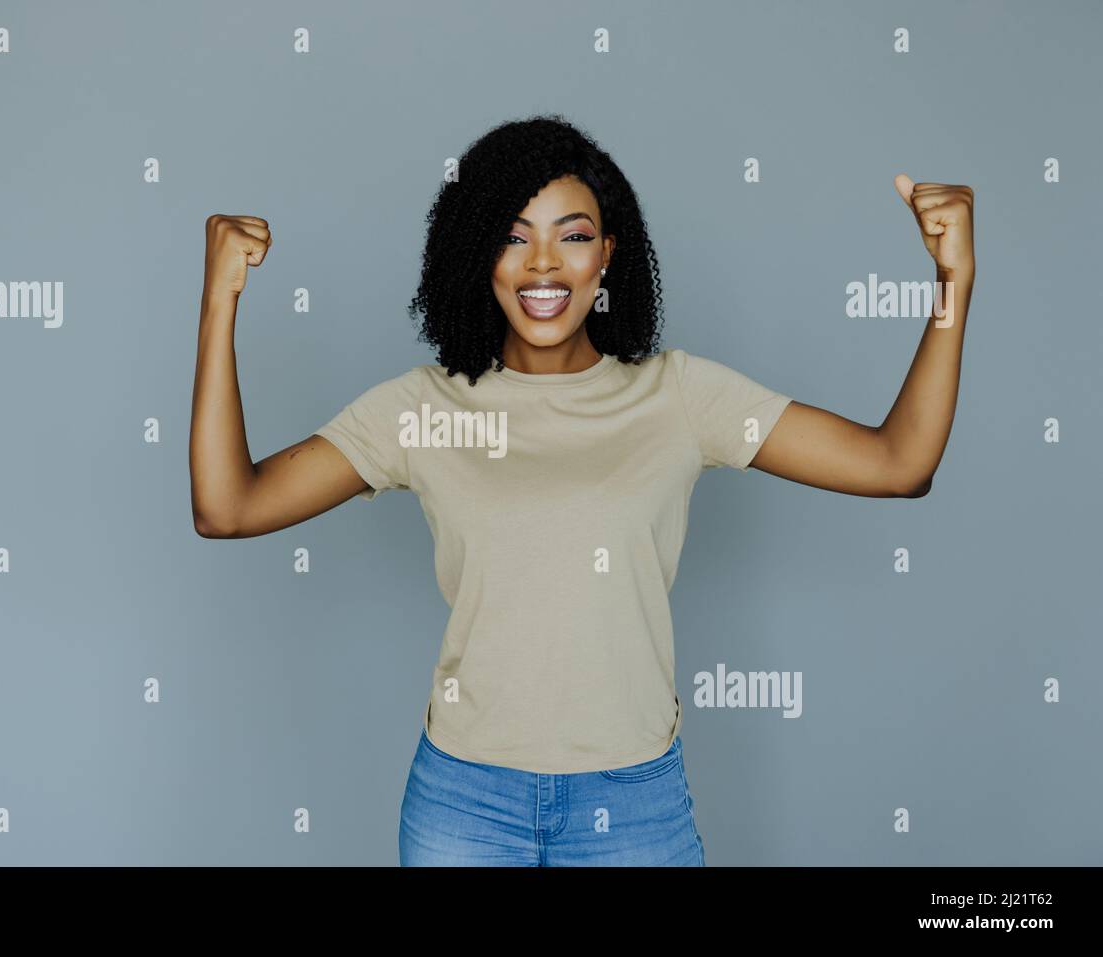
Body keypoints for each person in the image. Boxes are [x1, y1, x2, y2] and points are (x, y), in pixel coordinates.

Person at [188, 114, 975, 866]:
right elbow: (228, 507)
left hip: (632, 801)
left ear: (607, 256)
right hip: (466, 803)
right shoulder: (420, 409)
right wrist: (219, 302)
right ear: (477, 254)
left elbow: (897, 462)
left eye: (572, 236)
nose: (541, 264)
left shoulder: (681, 397)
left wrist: (951, 281)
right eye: (512, 236)